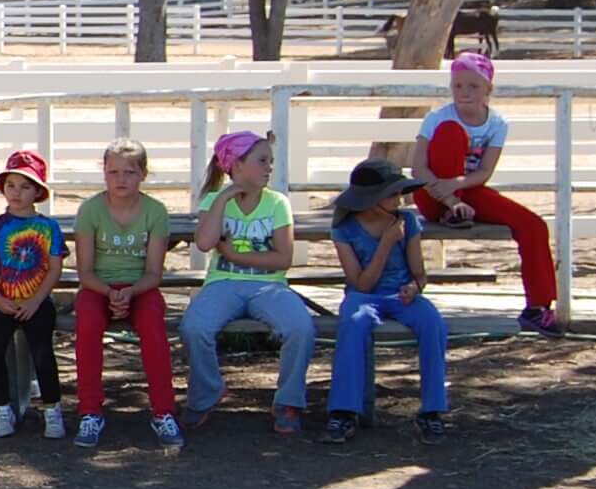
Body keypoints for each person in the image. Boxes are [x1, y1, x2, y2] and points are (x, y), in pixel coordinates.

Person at [407, 51, 561, 334]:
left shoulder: (497, 123)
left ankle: (538, 307)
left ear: (488, 89)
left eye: (473, 86)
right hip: (433, 192)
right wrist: (449, 197)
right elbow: (418, 168)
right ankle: (451, 213)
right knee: (451, 131)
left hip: (467, 189)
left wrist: (458, 185)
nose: (464, 92)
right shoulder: (437, 117)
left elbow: (484, 171)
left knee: (533, 225)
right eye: (458, 86)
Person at [180, 130, 320, 436]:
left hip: (269, 286)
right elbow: (204, 243)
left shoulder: (277, 203)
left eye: (270, 161)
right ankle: (207, 393)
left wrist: (233, 254)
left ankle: (288, 401)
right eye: (261, 161)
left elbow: (283, 258)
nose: (269, 167)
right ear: (237, 165)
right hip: (223, 283)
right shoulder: (215, 200)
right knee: (194, 327)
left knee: (300, 328)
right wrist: (225, 197)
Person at [322, 158, 452, 445]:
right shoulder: (344, 229)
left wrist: (414, 287)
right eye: (392, 193)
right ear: (372, 198)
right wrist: (386, 242)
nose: (400, 198)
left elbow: (420, 274)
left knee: (434, 324)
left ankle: (432, 411)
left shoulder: (408, 221)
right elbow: (361, 283)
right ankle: (344, 411)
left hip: (401, 296)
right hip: (363, 296)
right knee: (353, 324)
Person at [70, 138, 184, 452]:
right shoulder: (91, 210)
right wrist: (109, 293)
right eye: (113, 171)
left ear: (143, 175)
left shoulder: (155, 211)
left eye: (130, 172)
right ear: (104, 174)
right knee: (88, 325)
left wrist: (130, 293)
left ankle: (163, 411)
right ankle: (90, 411)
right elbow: (85, 271)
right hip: (98, 286)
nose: (121, 179)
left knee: (153, 326)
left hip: (140, 287)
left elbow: (154, 272)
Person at [0, 148, 67, 440]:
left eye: (25, 186)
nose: (16, 192)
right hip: (0, 301)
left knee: (43, 353)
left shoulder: (48, 227)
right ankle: (2, 409)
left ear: (38, 191)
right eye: (11, 185)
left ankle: (53, 409)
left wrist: (35, 300)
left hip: (36, 301)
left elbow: (54, 268)